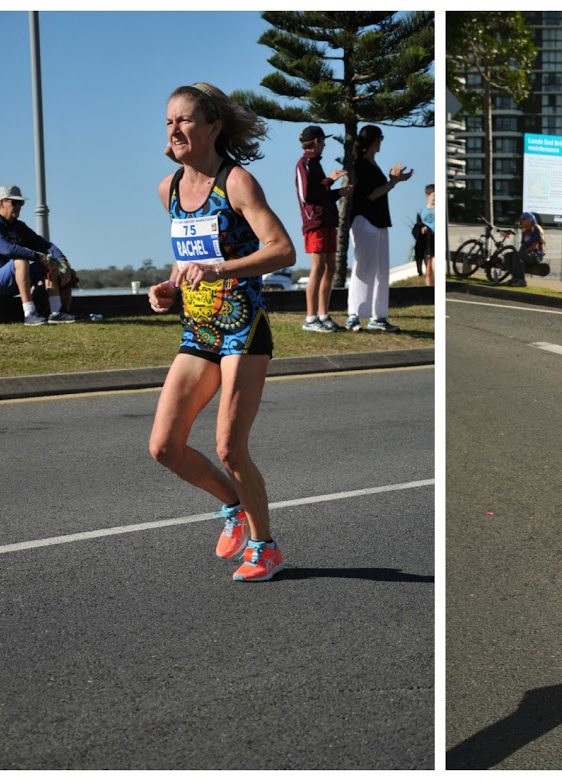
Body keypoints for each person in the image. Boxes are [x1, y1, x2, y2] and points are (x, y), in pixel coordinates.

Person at [147, 82, 295, 582]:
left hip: (243, 330)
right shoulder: (167, 188)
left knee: (230, 447)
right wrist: (171, 287)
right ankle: (234, 505)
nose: (175, 128)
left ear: (213, 128)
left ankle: (265, 545)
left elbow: (281, 249)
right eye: (169, 121)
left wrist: (221, 270)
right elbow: (186, 257)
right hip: (198, 330)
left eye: (185, 119)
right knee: (164, 447)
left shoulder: (236, 182)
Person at [0, 184, 79, 325]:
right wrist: (39, 257)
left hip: (14, 281)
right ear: (1, 203)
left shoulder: (19, 227)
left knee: (52, 263)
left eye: (21, 203)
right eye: (14, 202)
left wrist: (63, 262)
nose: (18, 206)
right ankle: (29, 313)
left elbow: (46, 246)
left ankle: (56, 312)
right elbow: (8, 249)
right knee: (21, 260)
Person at [346, 124, 412, 332]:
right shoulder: (360, 165)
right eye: (380, 140)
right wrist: (393, 182)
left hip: (379, 221)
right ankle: (354, 315)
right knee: (363, 269)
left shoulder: (371, 164)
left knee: (380, 272)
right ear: (375, 142)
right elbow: (371, 194)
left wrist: (395, 181)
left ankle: (378, 316)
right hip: (365, 221)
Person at [294, 125, 347, 332]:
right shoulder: (304, 163)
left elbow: (321, 193)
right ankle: (310, 318)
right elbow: (307, 194)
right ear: (316, 141)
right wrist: (331, 180)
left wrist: (338, 192)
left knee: (330, 267)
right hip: (314, 222)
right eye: (323, 141)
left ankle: (323, 315)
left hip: (326, 219)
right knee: (318, 268)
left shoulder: (314, 163)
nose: (324, 145)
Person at [504, 211, 545, 287]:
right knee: (507, 256)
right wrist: (520, 252)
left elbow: (534, 246)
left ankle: (521, 281)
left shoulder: (536, 229)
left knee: (517, 256)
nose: (521, 221)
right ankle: (515, 278)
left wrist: (521, 253)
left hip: (535, 255)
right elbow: (523, 245)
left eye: (523, 219)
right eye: (520, 219)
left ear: (529, 220)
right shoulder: (524, 230)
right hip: (526, 254)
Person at [414, 183, 436, 286]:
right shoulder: (421, 211)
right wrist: (421, 229)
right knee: (428, 270)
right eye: (434, 195)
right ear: (427, 196)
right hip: (427, 243)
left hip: (436, 241)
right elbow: (417, 227)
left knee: (435, 267)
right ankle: (430, 290)